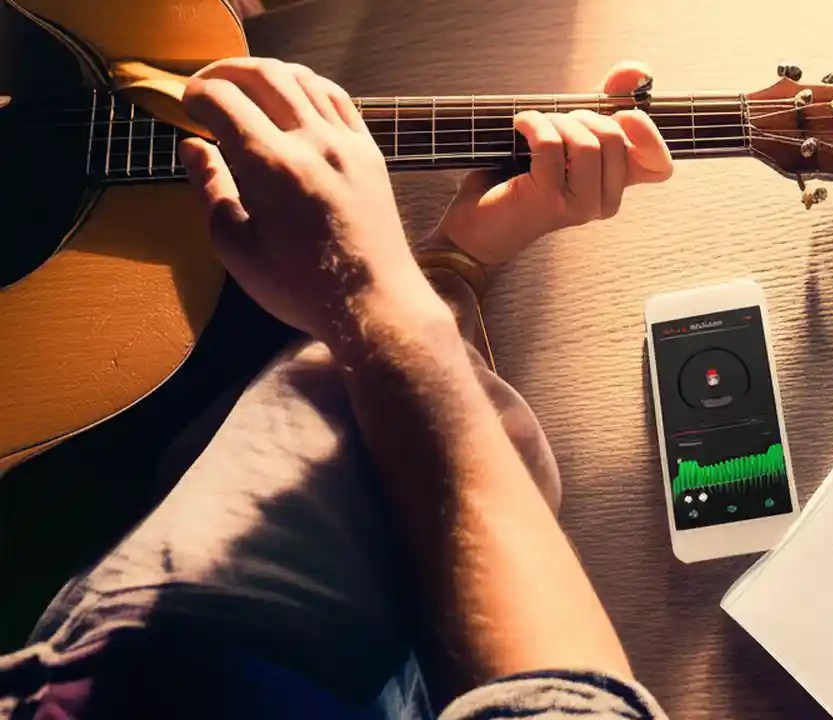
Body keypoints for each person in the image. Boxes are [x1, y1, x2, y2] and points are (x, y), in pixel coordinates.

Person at [0, 57, 673, 719]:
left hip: (166, 676)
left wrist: (385, 287)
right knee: (485, 435)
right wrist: (413, 278)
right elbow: (551, 701)